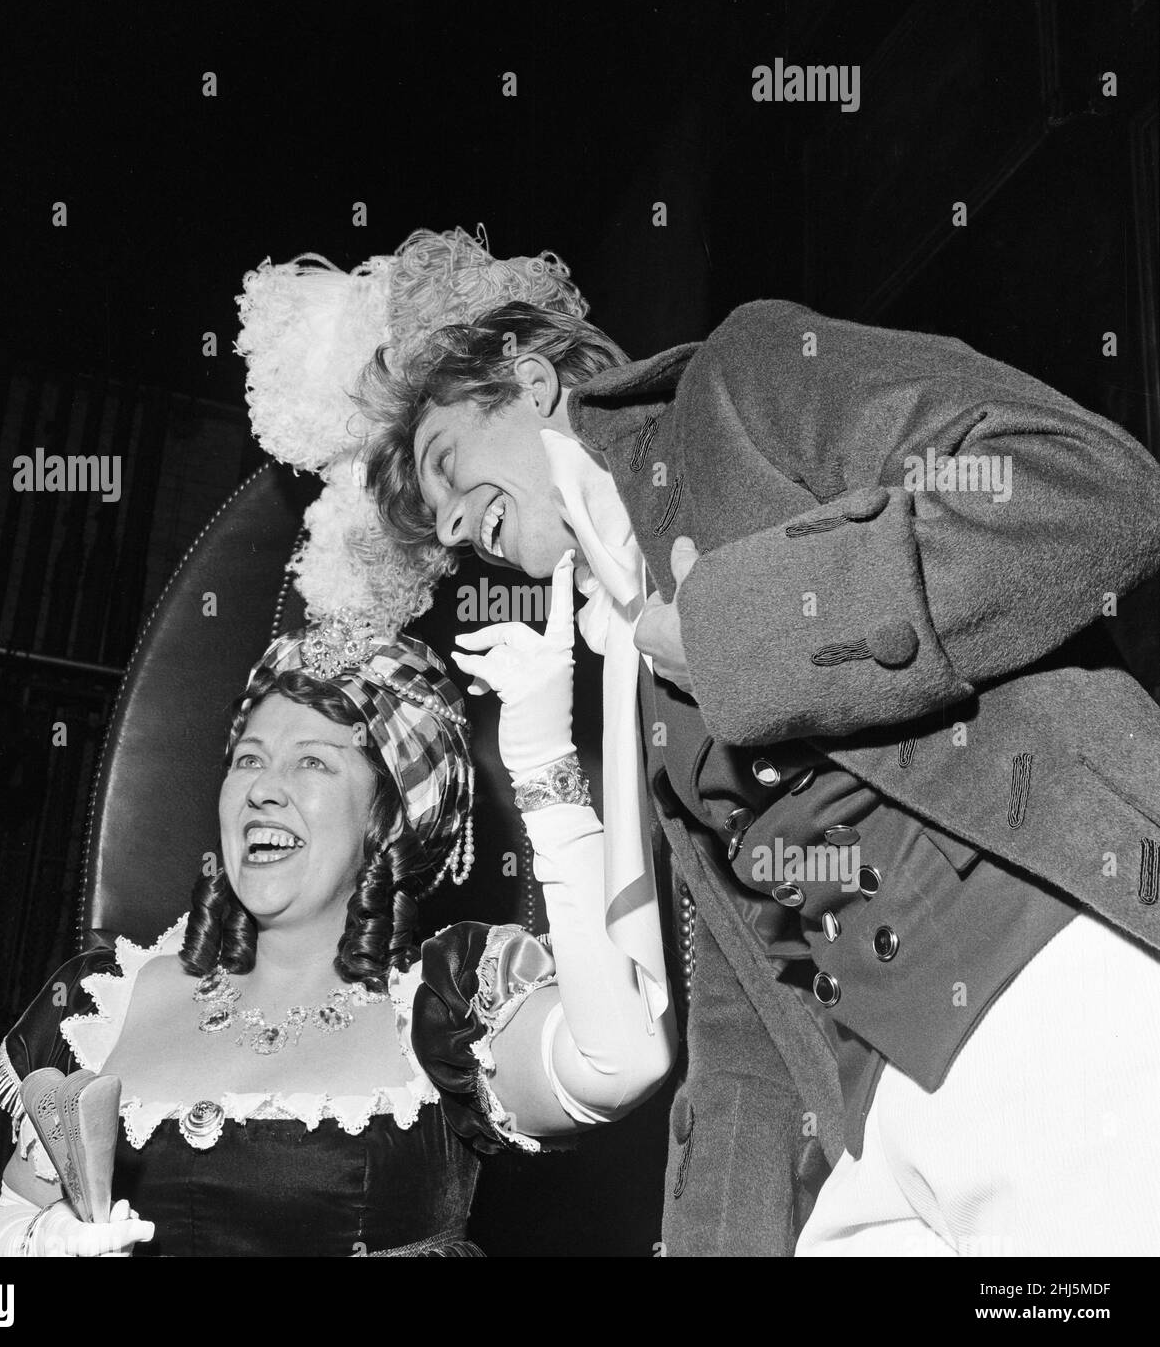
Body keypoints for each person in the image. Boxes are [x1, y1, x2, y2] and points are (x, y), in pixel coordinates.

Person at [358, 296, 1160, 1256]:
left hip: (1053, 980)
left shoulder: (745, 376)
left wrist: (741, 633)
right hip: (881, 1113)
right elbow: (750, 995)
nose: (450, 522)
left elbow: (1086, 488)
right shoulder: (625, 651)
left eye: (447, 465)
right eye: (438, 521)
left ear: (532, 382)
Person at [0, 603, 675, 1256]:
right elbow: (7, 1217)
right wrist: (41, 1241)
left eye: (311, 761)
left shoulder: (448, 1006)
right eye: (248, 757)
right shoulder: (104, 999)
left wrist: (544, 764)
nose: (262, 786)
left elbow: (624, 1062)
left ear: (393, 814)